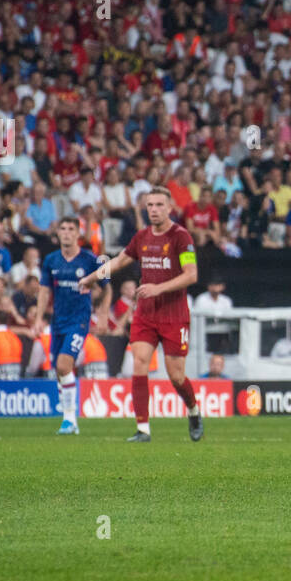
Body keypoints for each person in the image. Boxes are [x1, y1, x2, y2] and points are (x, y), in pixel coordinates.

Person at [79, 187, 202, 442]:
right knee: (139, 363)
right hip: (146, 314)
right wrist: (91, 278)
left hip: (174, 315)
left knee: (176, 375)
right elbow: (119, 261)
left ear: (169, 208)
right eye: (150, 205)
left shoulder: (182, 237)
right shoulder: (142, 236)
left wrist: (157, 288)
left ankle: (193, 409)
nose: (154, 210)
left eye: (159, 205)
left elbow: (192, 275)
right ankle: (143, 429)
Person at [35, 217, 109, 435]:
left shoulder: (90, 259)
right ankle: (68, 418)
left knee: (64, 365)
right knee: (58, 369)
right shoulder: (51, 260)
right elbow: (44, 290)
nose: (66, 233)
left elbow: (108, 287)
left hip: (79, 320)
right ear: (57, 233)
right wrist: (39, 318)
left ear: (78, 234)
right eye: (63, 229)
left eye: (71, 229)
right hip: (58, 321)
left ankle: (69, 419)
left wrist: (103, 314)